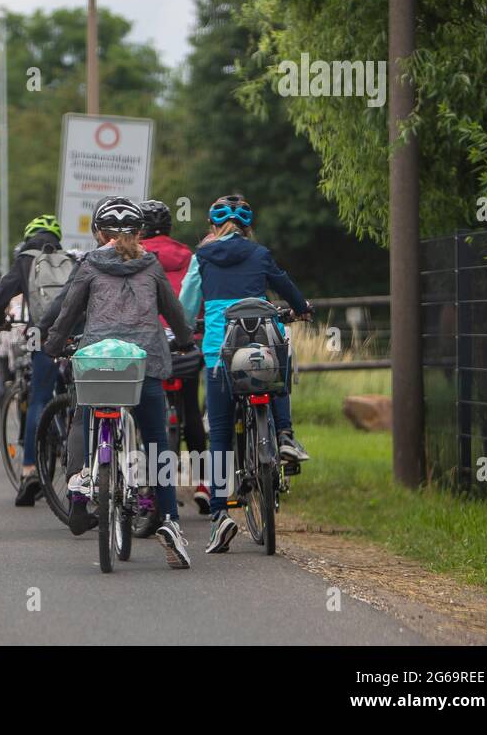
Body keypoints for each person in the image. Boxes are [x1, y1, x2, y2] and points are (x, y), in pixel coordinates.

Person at [43, 197, 196, 570]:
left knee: (83, 417)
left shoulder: (90, 265)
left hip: (99, 363)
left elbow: (68, 313)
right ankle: (171, 524)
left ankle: (80, 498)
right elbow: (174, 311)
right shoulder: (152, 265)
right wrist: (185, 338)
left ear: (98, 232)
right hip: (145, 363)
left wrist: (52, 345)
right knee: (157, 440)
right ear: (140, 232)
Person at [178, 194, 312, 554]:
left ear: (212, 226)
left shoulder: (202, 257)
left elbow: (188, 305)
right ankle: (283, 435)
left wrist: (184, 329)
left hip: (222, 353)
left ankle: (221, 514)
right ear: (248, 227)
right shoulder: (259, 254)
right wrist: (301, 308)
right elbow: (284, 285)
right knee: (276, 368)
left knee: (220, 434)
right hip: (260, 344)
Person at [0, 214, 75, 506]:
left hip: (42, 334)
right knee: (75, 393)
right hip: (73, 334)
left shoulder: (25, 258)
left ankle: (29, 470)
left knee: (38, 397)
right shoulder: (69, 259)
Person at [140, 198, 211, 514]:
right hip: (186, 339)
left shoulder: (135, 255)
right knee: (191, 412)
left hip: (148, 342)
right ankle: (203, 483)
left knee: (141, 411)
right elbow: (198, 296)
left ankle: (143, 481)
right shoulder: (188, 254)